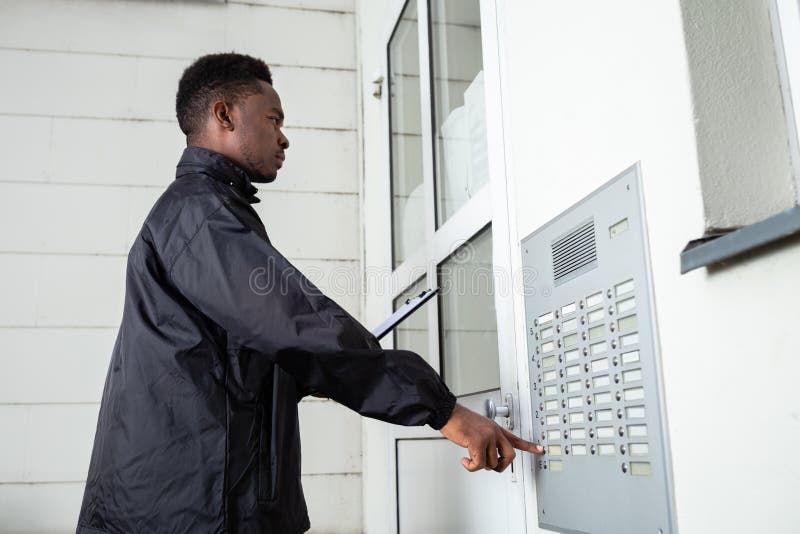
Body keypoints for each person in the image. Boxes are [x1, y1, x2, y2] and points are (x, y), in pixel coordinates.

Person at [76, 52, 543, 534]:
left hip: (199, 503)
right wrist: (442, 409)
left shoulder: (204, 213)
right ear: (224, 115)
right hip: (192, 511)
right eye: (273, 119)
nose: (283, 137)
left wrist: (303, 376)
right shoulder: (198, 214)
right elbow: (293, 322)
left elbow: (225, 358)